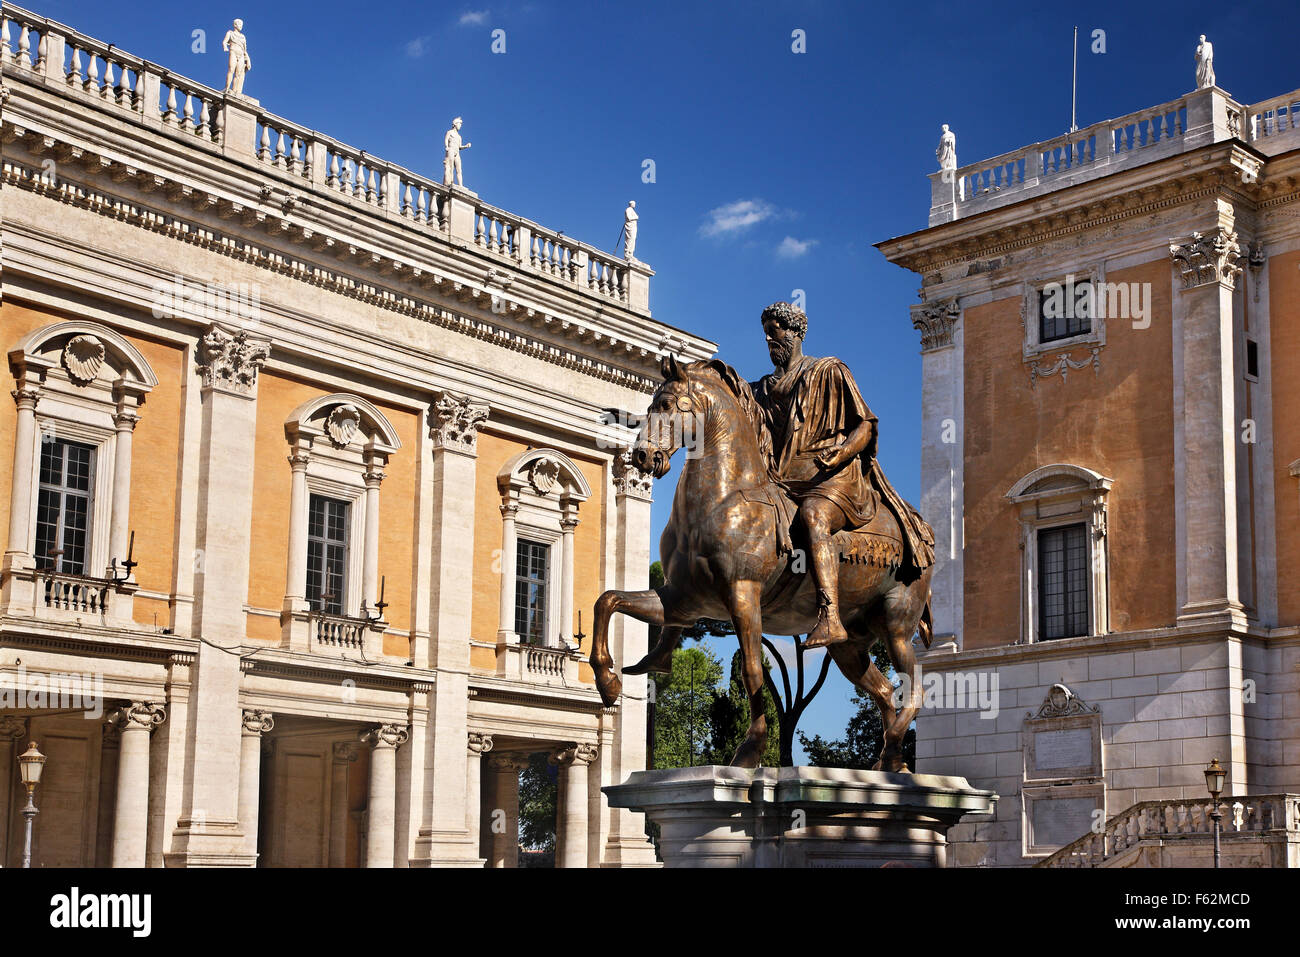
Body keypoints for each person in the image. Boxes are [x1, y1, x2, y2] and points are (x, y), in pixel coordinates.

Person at [752, 302, 932, 646]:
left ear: (795, 333)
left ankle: (830, 614)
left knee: (813, 515)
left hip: (833, 479)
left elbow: (865, 425)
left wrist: (842, 452)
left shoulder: (829, 370)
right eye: (766, 334)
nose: (769, 340)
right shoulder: (761, 388)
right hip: (785, 481)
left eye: (774, 332)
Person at [223, 19, 251, 96]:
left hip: (241, 54)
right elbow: (225, 41)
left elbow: (245, 50)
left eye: (242, 24)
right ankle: (227, 88)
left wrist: (248, 60)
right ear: (235, 25)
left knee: (238, 73)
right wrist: (225, 47)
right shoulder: (230, 33)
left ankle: (235, 91)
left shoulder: (243, 37)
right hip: (233, 51)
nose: (241, 26)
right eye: (239, 24)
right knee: (231, 69)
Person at [443, 117, 471, 187]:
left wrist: (466, 146)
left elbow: (459, 146)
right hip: (451, 149)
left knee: (459, 169)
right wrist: (446, 146)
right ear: (455, 124)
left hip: (457, 152)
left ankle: (460, 185)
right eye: (460, 124)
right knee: (451, 167)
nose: (460, 126)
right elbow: (446, 139)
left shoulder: (459, 136)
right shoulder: (449, 132)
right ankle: (451, 182)